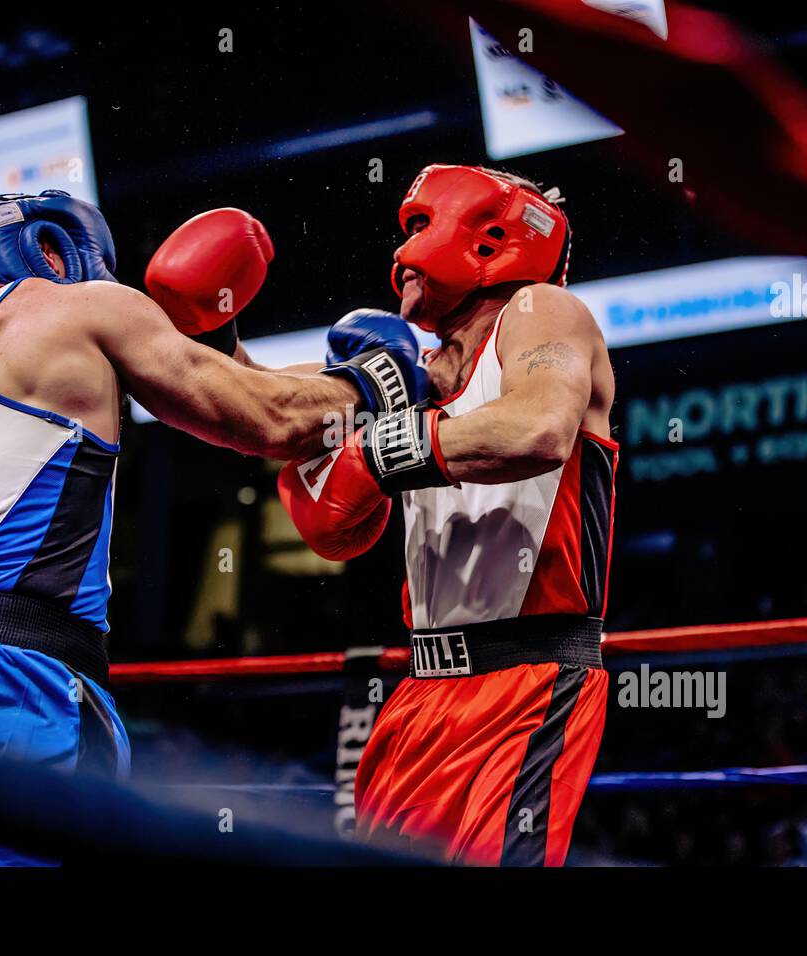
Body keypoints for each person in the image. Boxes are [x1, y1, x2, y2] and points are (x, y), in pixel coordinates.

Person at [0, 191, 425, 866]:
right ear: (60, 250)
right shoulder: (80, 309)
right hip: (26, 684)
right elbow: (268, 419)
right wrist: (374, 382)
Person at [279, 165, 617, 865]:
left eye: (418, 226)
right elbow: (272, 409)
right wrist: (209, 340)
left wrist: (376, 453)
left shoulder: (542, 313)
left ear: (491, 237)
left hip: (525, 684)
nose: (401, 255)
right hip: (419, 693)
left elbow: (540, 427)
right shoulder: (413, 369)